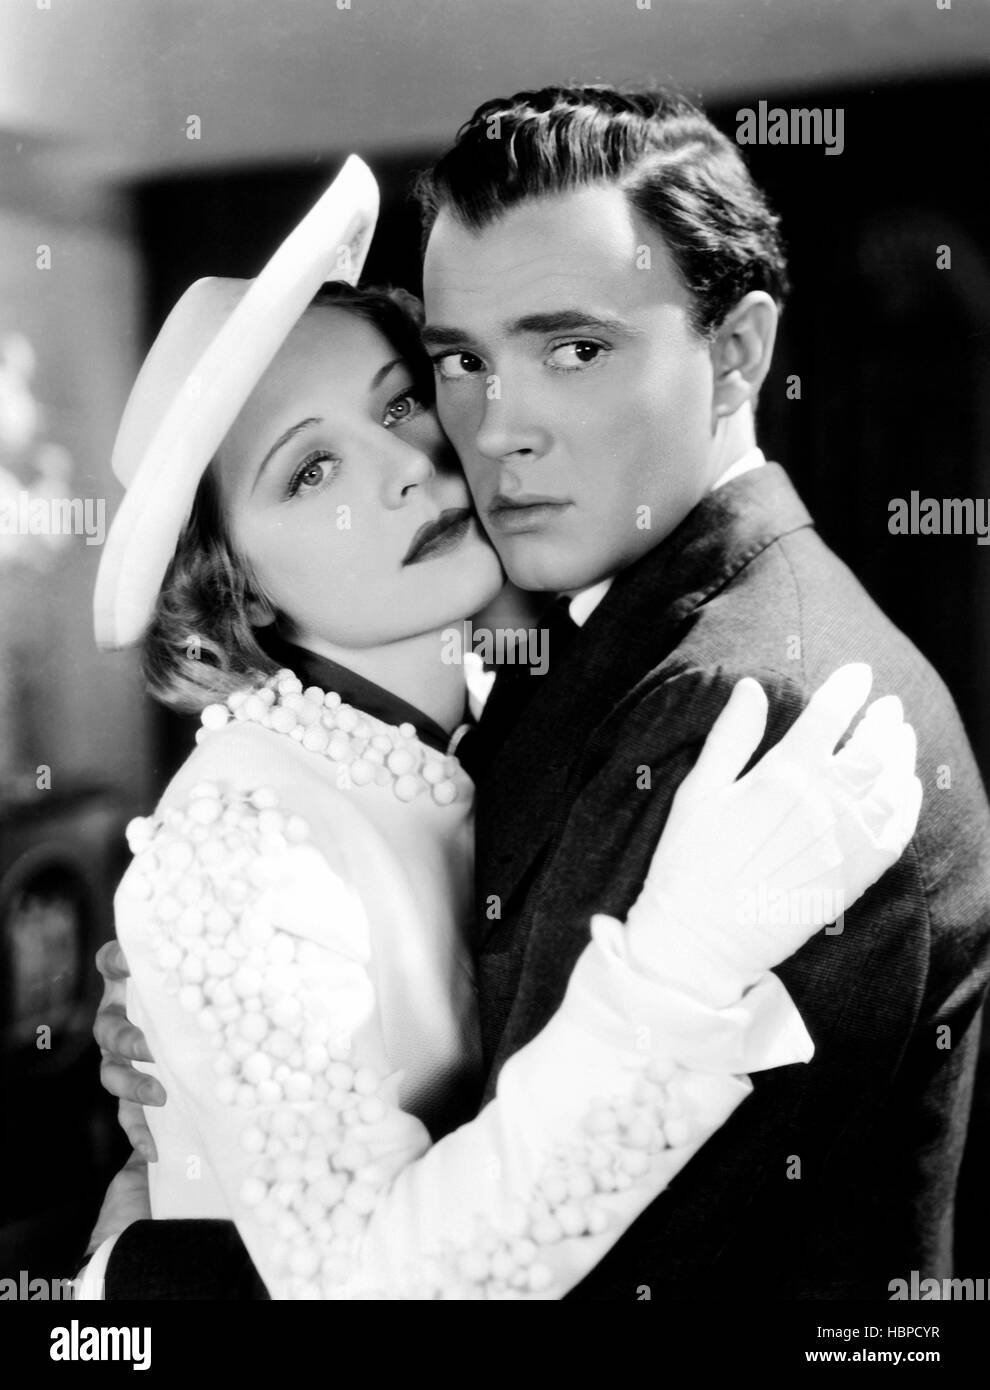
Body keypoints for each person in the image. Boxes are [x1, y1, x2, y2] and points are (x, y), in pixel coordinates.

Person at [99, 84, 990, 1300]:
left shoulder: (742, 704)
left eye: (571, 347)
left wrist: (148, 1260)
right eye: (461, 363)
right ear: (236, 589)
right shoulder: (535, 688)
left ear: (737, 353)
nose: (467, 442)